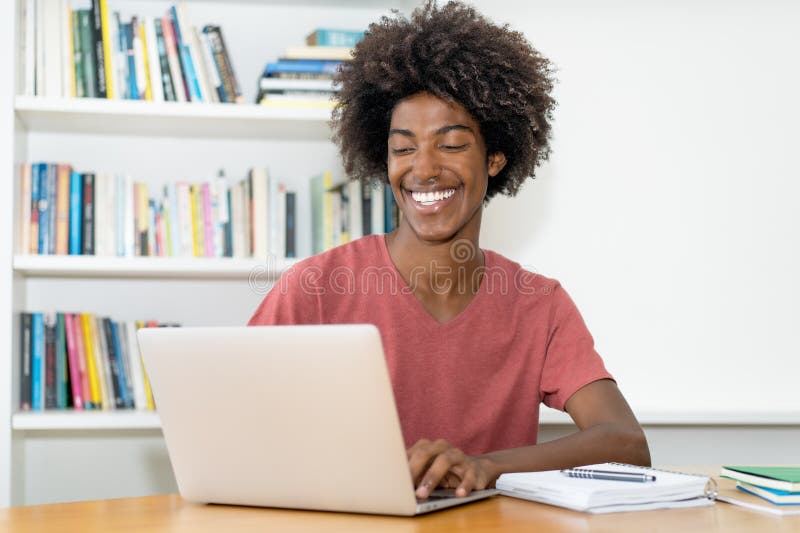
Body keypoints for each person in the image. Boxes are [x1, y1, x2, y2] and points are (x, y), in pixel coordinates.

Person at [249, 0, 650, 500]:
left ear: (497, 157)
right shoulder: (314, 289)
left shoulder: (538, 304)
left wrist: (486, 466)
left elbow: (626, 442)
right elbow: (236, 427)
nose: (423, 168)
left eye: (452, 144)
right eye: (403, 147)